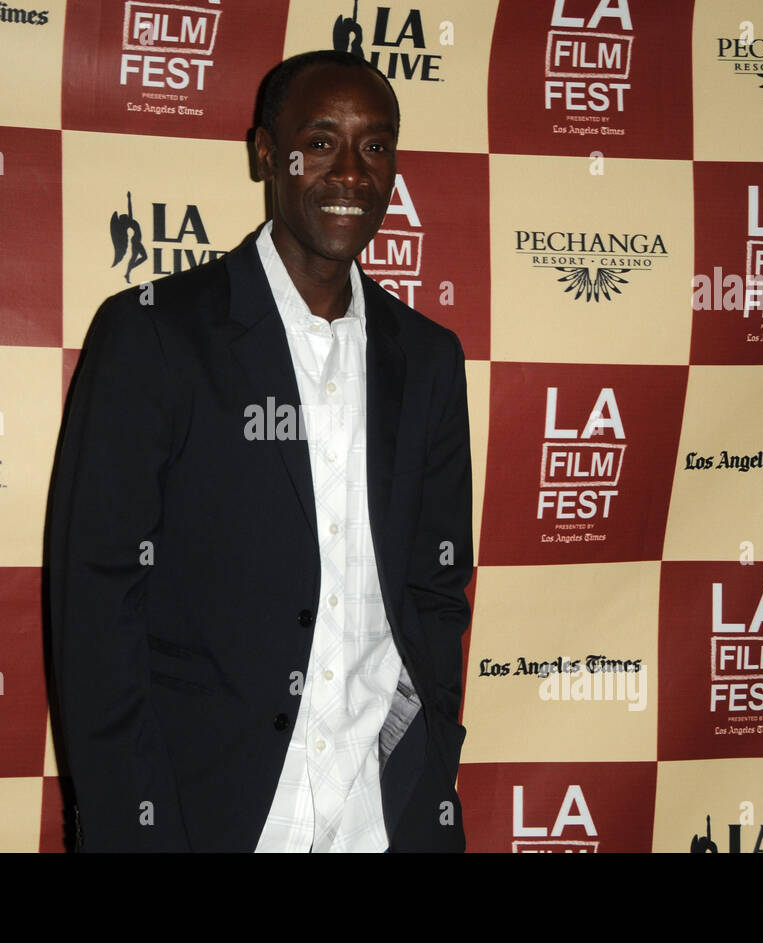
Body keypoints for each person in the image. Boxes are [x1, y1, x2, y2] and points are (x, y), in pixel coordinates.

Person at [48, 50, 473, 852]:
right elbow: (97, 611)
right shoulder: (154, 335)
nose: (350, 171)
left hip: (381, 816)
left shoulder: (429, 359)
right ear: (266, 154)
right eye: (321, 141)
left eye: (375, 147)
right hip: (205, 816)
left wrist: (428, 753)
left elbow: (437, 586)